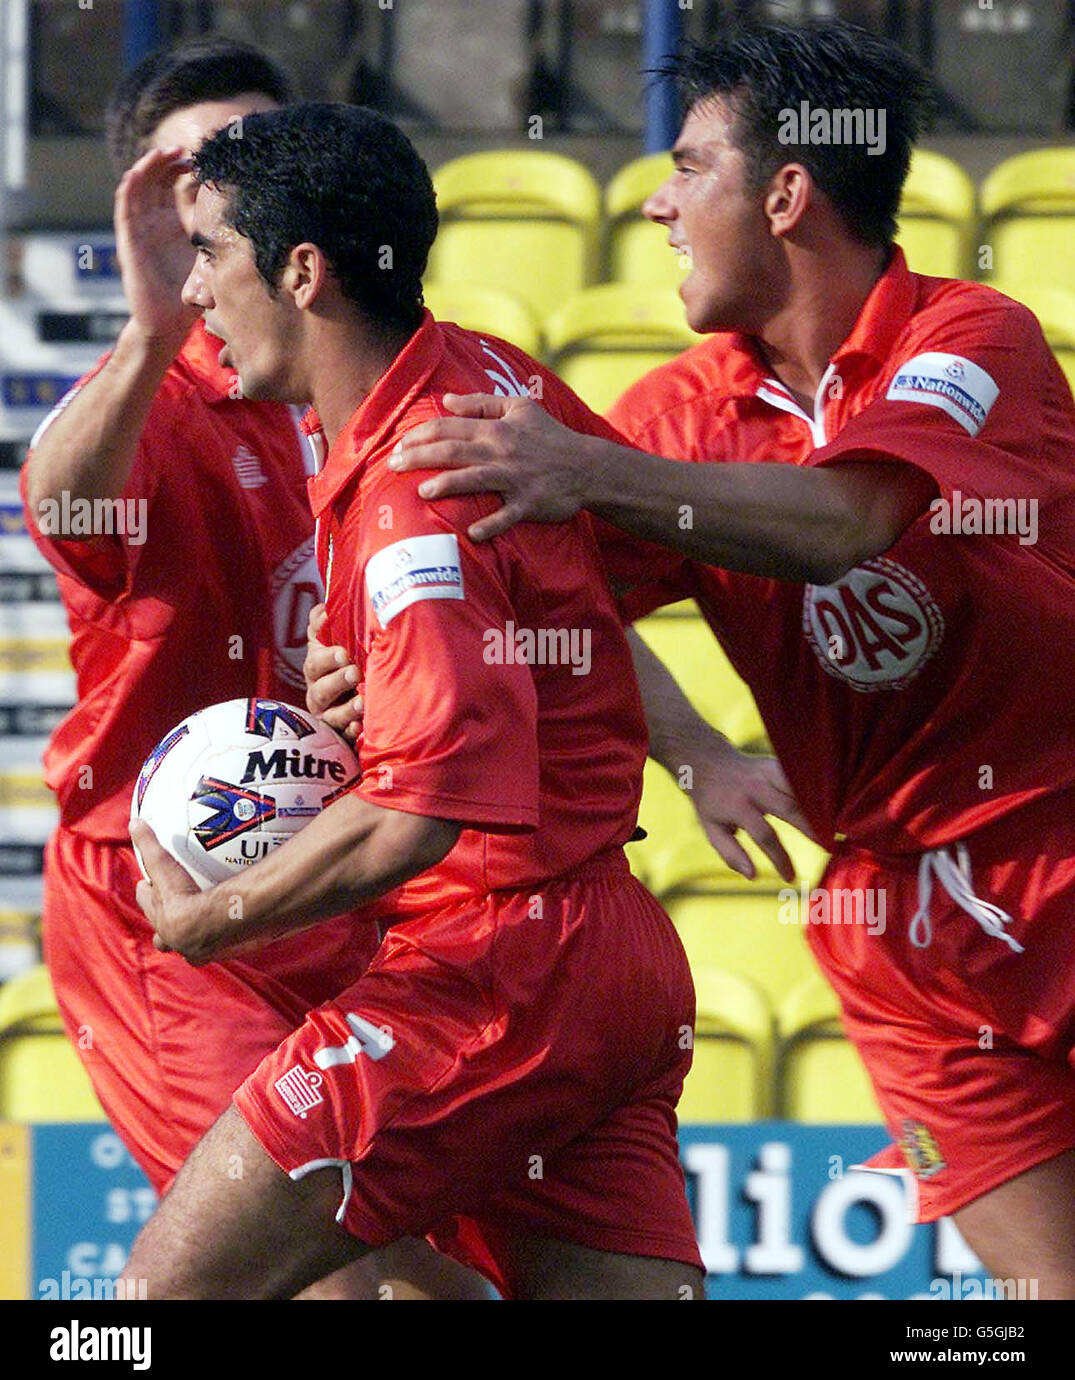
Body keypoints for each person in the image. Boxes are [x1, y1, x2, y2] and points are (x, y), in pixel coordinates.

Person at [391, 21, 1075, 1298]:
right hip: (906, 938)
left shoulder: (976, 339)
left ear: (786, 193)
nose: (655, 201)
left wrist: (585, 467)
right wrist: (691, 749)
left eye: (690, 167)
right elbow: (559, 614)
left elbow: (845, 525)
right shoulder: (677, 417)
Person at [124, 100, 704, 1301]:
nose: (193, 295)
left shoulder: (409, 498)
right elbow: (632, 562)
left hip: (492, 972)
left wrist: (208, 920)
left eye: (212, 255)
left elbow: (418, 819)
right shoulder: (488, 378)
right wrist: (406, 672)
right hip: (612, 960)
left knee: (148, 1309)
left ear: (300, 270)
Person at [21, 39, 484, 1300]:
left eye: (270, 150)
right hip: (169, 892)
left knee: (427, 1261)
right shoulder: (155, 404)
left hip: (337, 881)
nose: (253, 180)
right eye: (211, 164)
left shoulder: (372, 394)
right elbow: (60, 509)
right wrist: (143, 333)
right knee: (312, 1265)